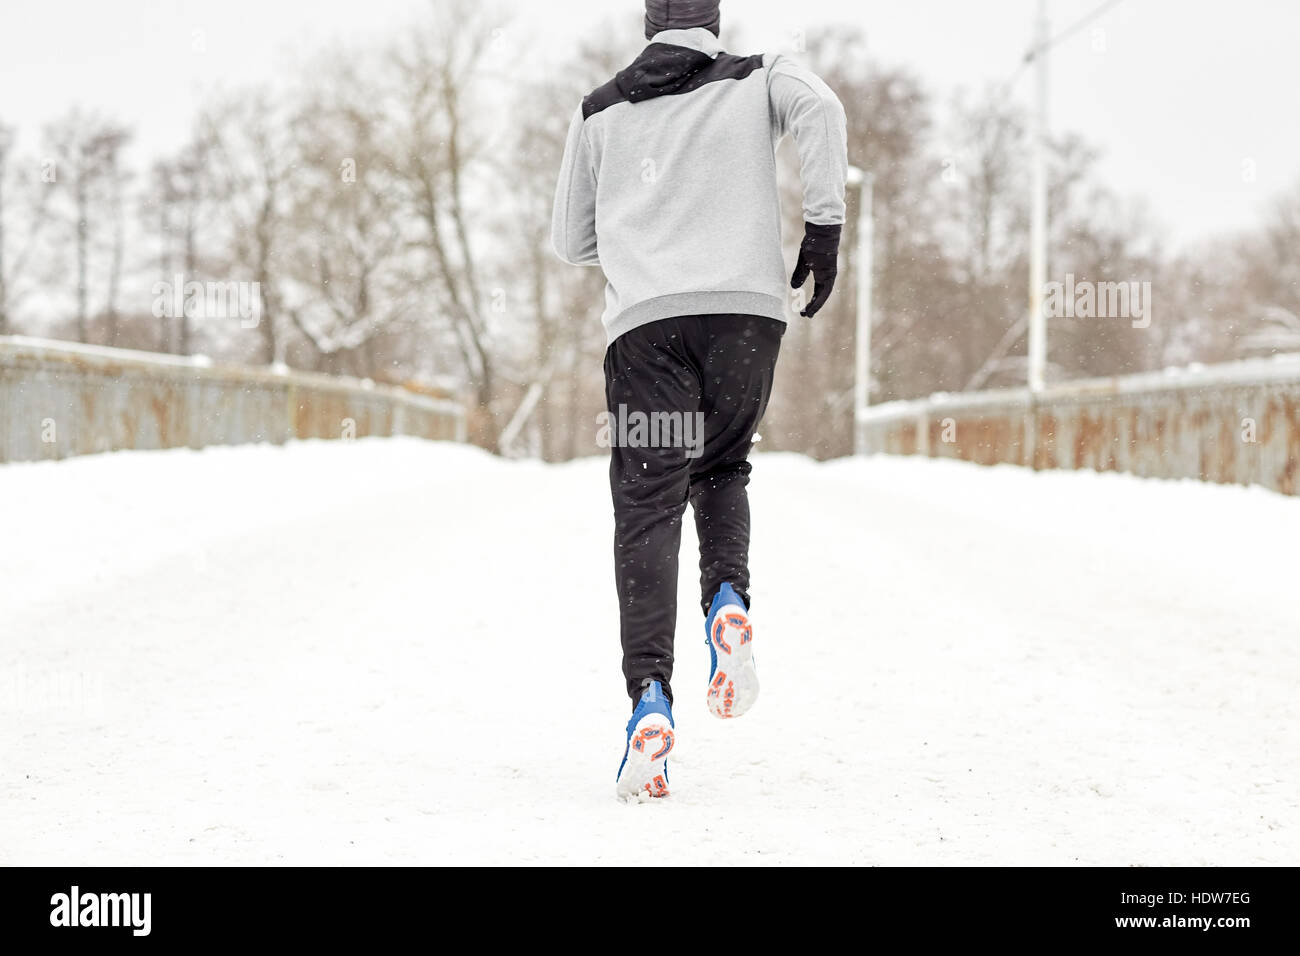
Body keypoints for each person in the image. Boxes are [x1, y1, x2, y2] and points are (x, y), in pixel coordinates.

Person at [551, 0, 848, 800]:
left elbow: (571, 241)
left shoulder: (602, 107)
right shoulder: (758, 77)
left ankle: (650, 699)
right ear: (713, 20)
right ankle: (728, 600)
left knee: (649, 505)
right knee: (721, 467)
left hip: (649, 329)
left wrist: (642, 226)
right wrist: (824, 227)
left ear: (648, 23)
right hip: (747, 316)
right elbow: (820, 107)